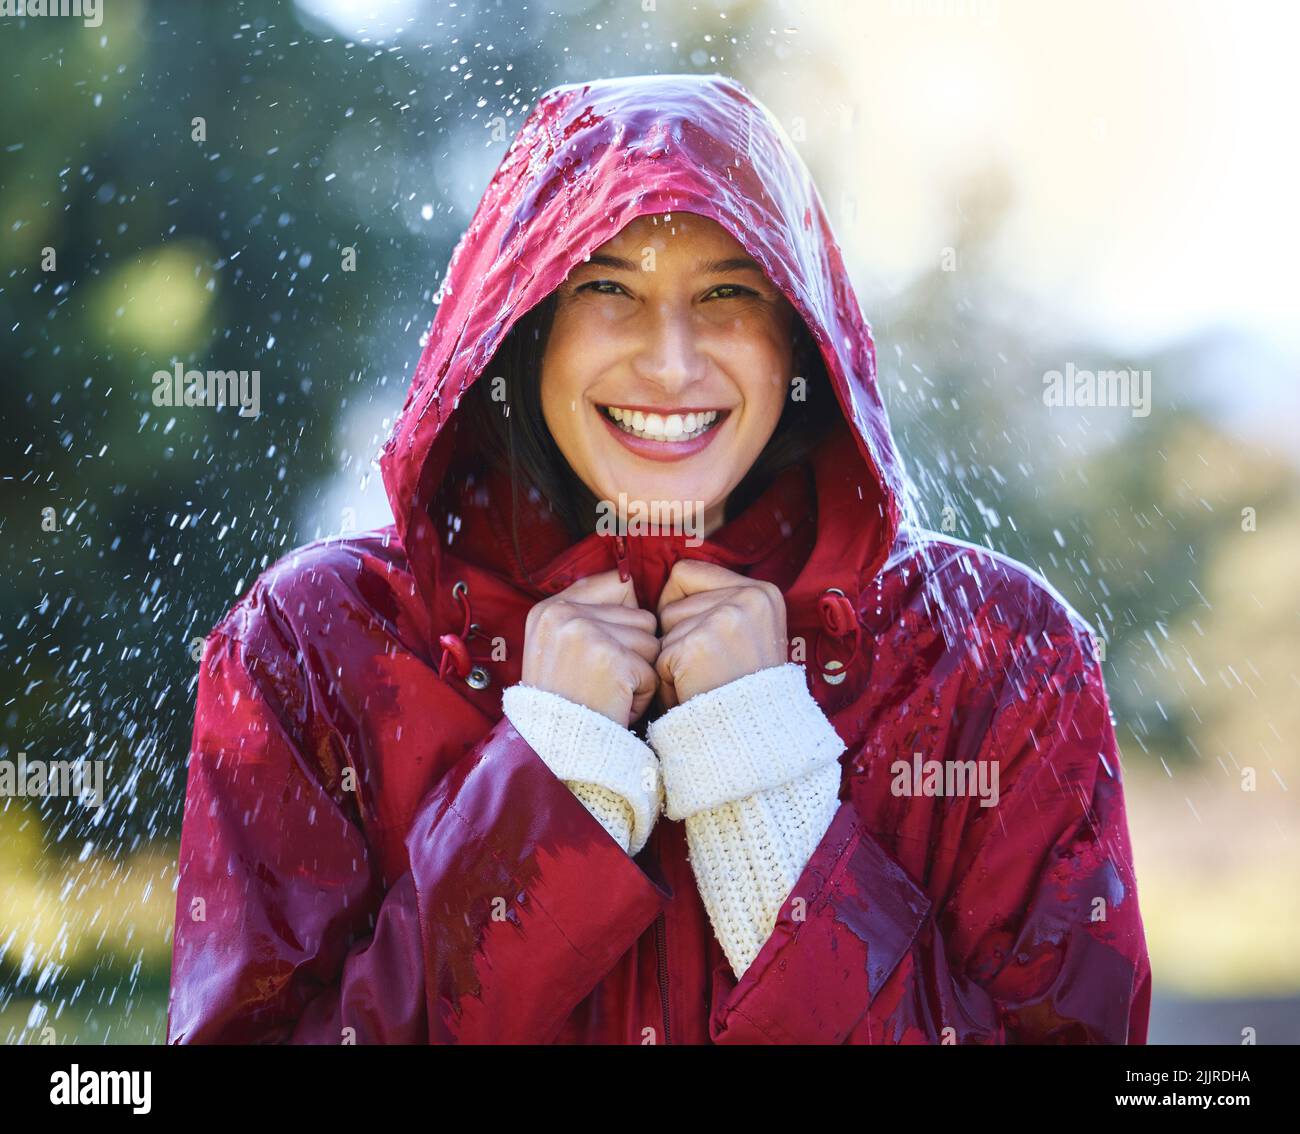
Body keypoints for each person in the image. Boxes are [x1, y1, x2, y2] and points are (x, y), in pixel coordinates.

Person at [166, 73, 1152, 1044]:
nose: (672, 363)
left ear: (797, 340)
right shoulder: (316, 639)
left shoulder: (996, 653)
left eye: (726, 291)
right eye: (608, 288)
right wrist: (544, 791)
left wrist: (770, 808)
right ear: (527, 325)